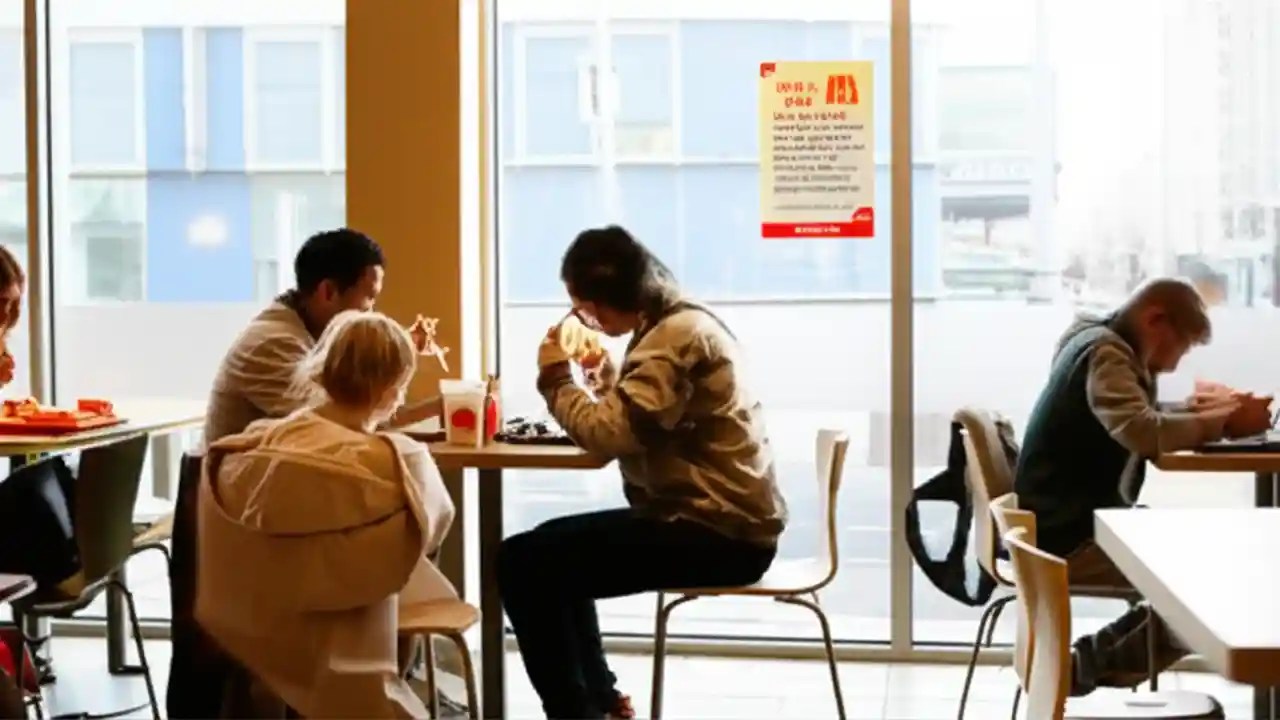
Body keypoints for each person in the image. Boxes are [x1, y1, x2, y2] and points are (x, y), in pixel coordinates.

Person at [498, 225, 787, 719]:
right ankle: (601, 702)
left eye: (584, 307)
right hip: (720, 520)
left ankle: (580, 710)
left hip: (716, 533)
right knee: (544, 554)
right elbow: (648, 420)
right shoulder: (679, 322)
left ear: (610, 297)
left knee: (523, 563)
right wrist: (609, 380)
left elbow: (608, 438)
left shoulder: (671, 339)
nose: (583, 319)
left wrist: (555, 377)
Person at [1015, 276, 1272, 696]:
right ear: (1156, 320)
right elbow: (1141, 432)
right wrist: (1223, 423)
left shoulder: (1089, 339)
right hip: (1074, 535)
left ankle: (1087, 661)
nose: (1175, 364)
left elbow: (1130, 415)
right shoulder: (1107, 354)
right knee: (1216, 584)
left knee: (1214, 564)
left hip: (1062, 522)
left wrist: (1203, 413)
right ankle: (1087, 666)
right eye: (1182, 346)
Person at [196, 310, 456, 719]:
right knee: (409, 570)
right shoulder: (398, 462)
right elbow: (433, 528)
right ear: (396, 388)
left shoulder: (250, 449)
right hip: (351, 620)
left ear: (320, 371)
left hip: (260, 621)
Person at [204, 227, 440, 444]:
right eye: (369, 298)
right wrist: (439, 405)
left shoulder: (309, 331)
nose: (372, 311)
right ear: (328, 292)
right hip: (242, 487)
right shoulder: (272, 343)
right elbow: (350, 418)